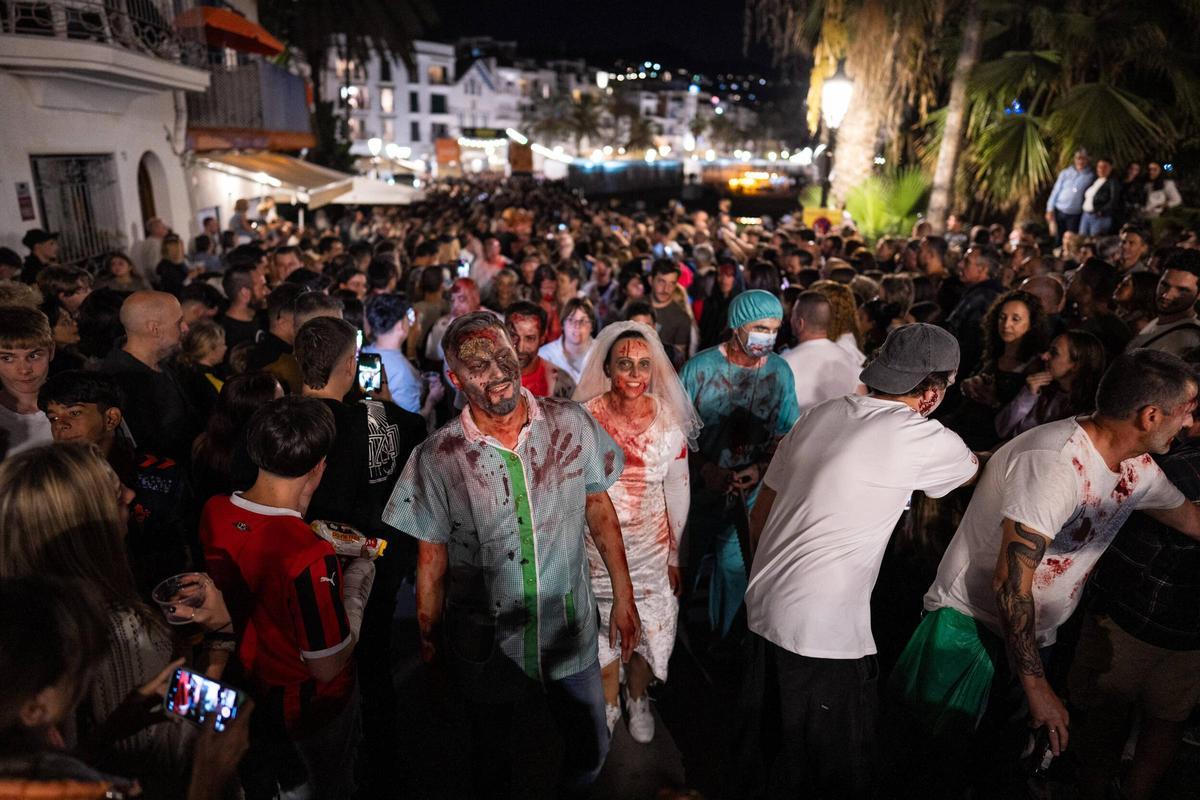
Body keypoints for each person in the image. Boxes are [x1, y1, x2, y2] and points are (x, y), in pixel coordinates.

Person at [904, 349, 1200, 794]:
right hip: (967, 630)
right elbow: (1010, 583)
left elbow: (1193, 521)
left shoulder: (1135, 468)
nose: (1190, 425)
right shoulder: (1055, 464)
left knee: (994, 766)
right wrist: (1038, 687)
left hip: (1027, 640)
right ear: (1151, 415)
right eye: (1186, 413)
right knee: (930, 767)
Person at [383, 311, 640, 799]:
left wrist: (624, 596)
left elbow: (598, 508)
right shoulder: (437, 457)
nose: (497, 373)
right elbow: (430, 561)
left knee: (589, 748)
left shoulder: (570, 423)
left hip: (569, 627)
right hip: (488, 640)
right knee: (493, 758)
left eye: (503, 356)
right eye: (477, 367)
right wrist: (431, 648)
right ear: (454, 379)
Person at [740, 324, 978, 799]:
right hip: (821, 634)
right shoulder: (922, 437)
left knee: (767, 754)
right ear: (932, 394)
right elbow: (975, 471)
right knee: (834, 769)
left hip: (764, 606)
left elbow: (760, 511)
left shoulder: (819, 415)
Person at [0, 442, 233, 796]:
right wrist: (220, 640)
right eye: (114, 495)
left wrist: (111, 728)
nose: (130, 493)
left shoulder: (16, 616)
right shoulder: (120, 631)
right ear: (87, 529)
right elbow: (189, 738)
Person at [200, 396, 375, 799]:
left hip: (246, 687)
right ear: (318, 467)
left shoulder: (215, 510)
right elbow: (327, 665)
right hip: (308, 709)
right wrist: (357, 586)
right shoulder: (308, 553)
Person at [292, 316, 426, 798]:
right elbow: (415, 429)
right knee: (370, 662)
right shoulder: (375, 419)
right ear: (351, 364)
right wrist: (381, 407)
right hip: (373, 566)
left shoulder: (278, 419)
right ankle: (381, 760)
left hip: (301, 571)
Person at [0, 574, 251, 800]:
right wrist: (208, 778)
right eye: (77, 676)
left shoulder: (22, 752)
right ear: (33, 708)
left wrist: (108, 733)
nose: (83, 684)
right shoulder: (81, 791)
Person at [573, 322, 701, 742]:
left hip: (651, 549)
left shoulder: (668, 422)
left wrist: (674, 555)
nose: (634, 374)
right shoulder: (584, 419)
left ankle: (637, 695)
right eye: (624, 363)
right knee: (600, 636)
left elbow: (678, 489)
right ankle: (609, 702)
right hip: (595, 550)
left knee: (648, 630)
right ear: (607, 368)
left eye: (644, 365)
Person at [1069, 413, 1200, 800]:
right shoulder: (1175, 461)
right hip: (1181, 631)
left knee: (1107, 716)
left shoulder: (1174, 465)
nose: (1185, 417)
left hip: (1131, 618)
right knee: (1166, 719)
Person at [680, 290, 800, 637]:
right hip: (695, 493)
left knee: (735, 572)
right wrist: (705, 469)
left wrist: (760, 469)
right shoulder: (699, 370)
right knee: (685, 568)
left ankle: (723, 643)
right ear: (736, 325)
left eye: (775, 329)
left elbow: (786, 434)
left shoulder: (779, 372)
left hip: (748, 495)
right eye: (761, 327)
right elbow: (673, 435)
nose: (769, 337)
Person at [38, 370, 194, 592]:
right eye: (53, 418)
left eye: (74, 413)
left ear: (111, 418)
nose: (60, 425)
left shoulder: (161, 474)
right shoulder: (50, 482)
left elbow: (185, 546)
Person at [100, 291, 199, 462]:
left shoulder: (162, 362)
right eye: (179, 322)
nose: (185, 328)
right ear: (154, 329)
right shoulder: (121, 383)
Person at [949, 290, 1051, 450]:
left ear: (1031, 324)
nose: (1006, 324)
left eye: (1015, 319)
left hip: (992, 442)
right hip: (963, 425)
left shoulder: (1036, 364)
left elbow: (1023, 420)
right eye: (1002, 317)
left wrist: (994, 402)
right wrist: (967, 386)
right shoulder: (992, 352)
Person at [995, 330, 1107, 440]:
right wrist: (1028, 394)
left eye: (1054, 353)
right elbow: (1002, 429)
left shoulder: (1087, 413)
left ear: (1076, 366)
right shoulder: (1042, 390)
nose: (1044, 356)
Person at [191, 372, 282, 503]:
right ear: (259, 413)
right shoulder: (261, 459)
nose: (286, 410)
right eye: (280, 404)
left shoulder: (203, 444)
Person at [782, 290, 863, 411]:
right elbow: (862, 399)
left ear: (800, 323)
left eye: (793, 315)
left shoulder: (784, 363)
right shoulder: (849, 359)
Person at [364, 293, 442, 417]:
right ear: (401, 325)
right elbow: (411, 424)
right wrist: (431, 401)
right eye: (407, 318)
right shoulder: (402, 372)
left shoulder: (366, 352)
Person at [0, 305, 54, 457]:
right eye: (7, 358)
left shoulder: (82, 407)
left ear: (51, 351)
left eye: (34, 355)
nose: (24, 370)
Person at [1124, 249, 1200, 357]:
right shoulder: (1158, 320)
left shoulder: (1190, 339)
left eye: (1182, 290)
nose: (1166, 295)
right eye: (1164, 285)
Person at [944, 247, 1004, 379]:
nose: (960, 264)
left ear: (982, 269)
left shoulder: (982, 298)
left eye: (966, 261)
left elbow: (970, 343)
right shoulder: (978, 293)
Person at [505, 300, 577, 399]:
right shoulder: (488, 377)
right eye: (513, 336)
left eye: (530, 338)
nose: (520, 348)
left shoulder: (560, 383)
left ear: (542, 339)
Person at [1065, 258, 1133, 361]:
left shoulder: (1105, 332)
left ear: (1086, 292)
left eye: (1075, 277)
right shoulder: (1074, 316)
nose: (1069, 279)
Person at [539, 296, 596, 384]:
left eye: (583, 320)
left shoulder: (604, 353)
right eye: (571, 320)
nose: (577, 326)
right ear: (562, 324)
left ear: (592, 326)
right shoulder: (545, 355)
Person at [650, 259, 694, 369]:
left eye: (672, 283)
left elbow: (678, 359)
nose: (666, 289)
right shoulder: (635, 305)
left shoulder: (682, 318)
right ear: (651, 280)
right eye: (661, 281)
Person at [1046, 149, 1095, 238]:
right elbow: (1055, 191)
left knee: (1070, 238)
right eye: (1078, 158)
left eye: (1083, 158)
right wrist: (1050, 208)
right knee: (1057, 237)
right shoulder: (1065, 173)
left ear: (1087, 160)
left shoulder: (1090, 176)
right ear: (1075, 159)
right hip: (1059, 210)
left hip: (1075, 213)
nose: (1080, 161)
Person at [219, 265, 267, 353]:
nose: (266, 292)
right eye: (261, 287)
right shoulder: (225, 334)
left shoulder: (265, 317)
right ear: (245, 292)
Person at [698, 261, 743, 349]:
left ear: (735, 278)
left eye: (729, 275)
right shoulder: (709, 302)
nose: (723, 280)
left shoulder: (740, 305)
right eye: (720, 275)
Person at [1080, 157, 1121, 236]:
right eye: (1099, 167)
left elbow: (1114, 201)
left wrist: (1101, 212)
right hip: (1086, 215)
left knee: (1094, 243)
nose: (1101, 169)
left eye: (1105, 167)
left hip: (1098, 218)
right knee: (1082, 239)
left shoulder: (1113, 182)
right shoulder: (1096, 179)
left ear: (1111, 168)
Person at [156, 234, 201, 298]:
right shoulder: (166, 267)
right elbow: (177, 287)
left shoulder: (176, 263)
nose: (183, 249)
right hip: (178, 298)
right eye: (181, 246)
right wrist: (190, 277)